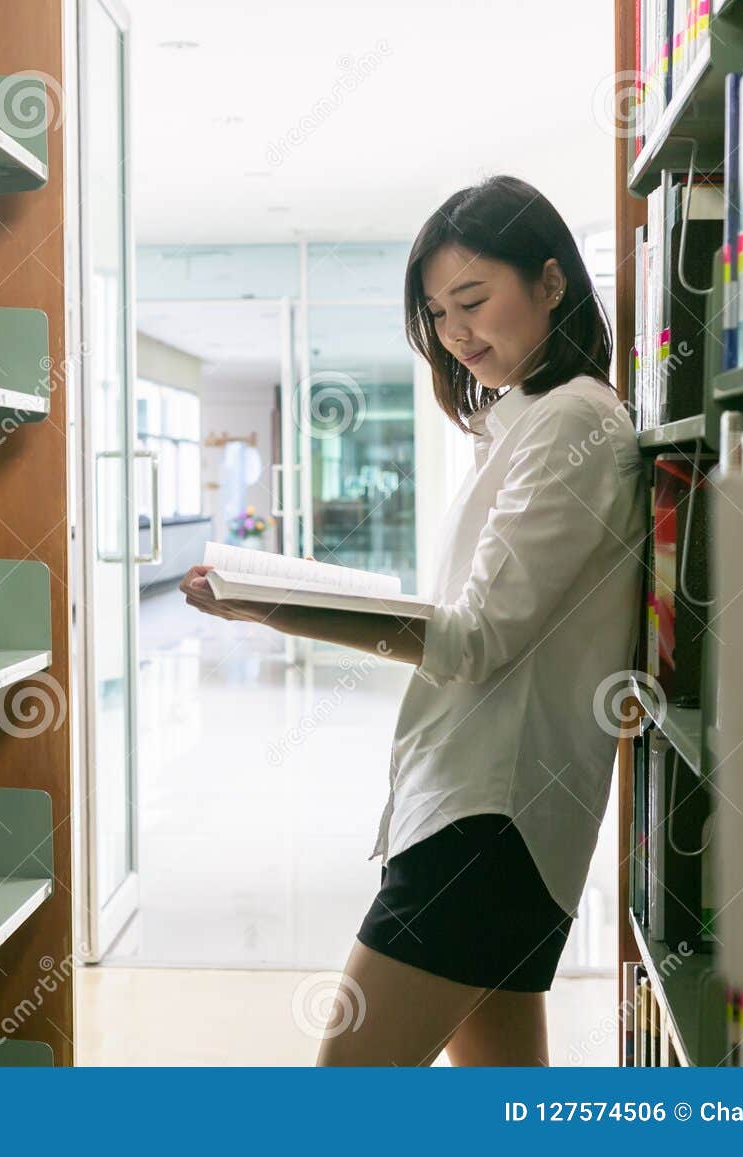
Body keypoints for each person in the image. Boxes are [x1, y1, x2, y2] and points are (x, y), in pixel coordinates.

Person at [181, 175, 647, 1066]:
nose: (456, 332)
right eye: (437, 313)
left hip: (487, 826)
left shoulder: (571, 424)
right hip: (489, 816)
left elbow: (474, 639)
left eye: (473, 299)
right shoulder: (532, 423)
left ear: (552, 282)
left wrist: (278, 606)